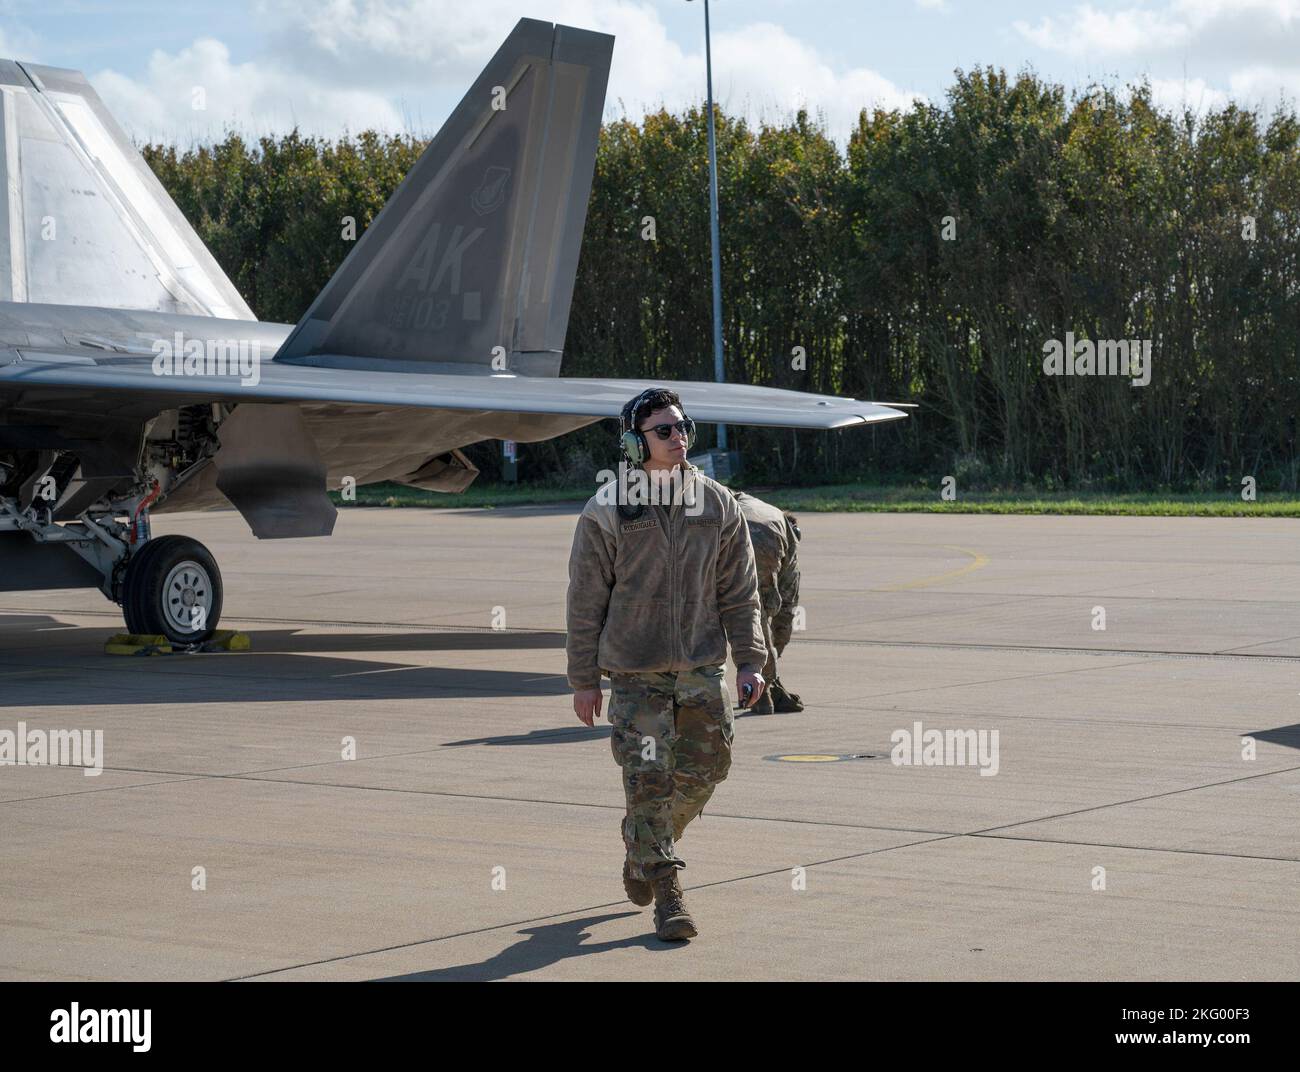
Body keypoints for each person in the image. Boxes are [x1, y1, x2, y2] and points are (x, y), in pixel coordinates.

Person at [565, 387, 767, 941]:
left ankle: (641, 846)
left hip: (702, 668)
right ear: (635, 442)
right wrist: (583, 680)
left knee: (709, 768)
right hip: (636, 673)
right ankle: (667, 892)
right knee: (648, 780)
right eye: (663, 430)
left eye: (682, 427)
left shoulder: (717, 503)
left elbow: (740, 592)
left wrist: (751, 661)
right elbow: (584, 603)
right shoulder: (608, 509)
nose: (678, 437)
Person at [733, 492, 804, 714]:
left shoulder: (748, 500)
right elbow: (785, 615)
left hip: (729, 536)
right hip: (763, 545)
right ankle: (764, 695)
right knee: (760, 615)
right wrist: (774, 655)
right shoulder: (786, 537)